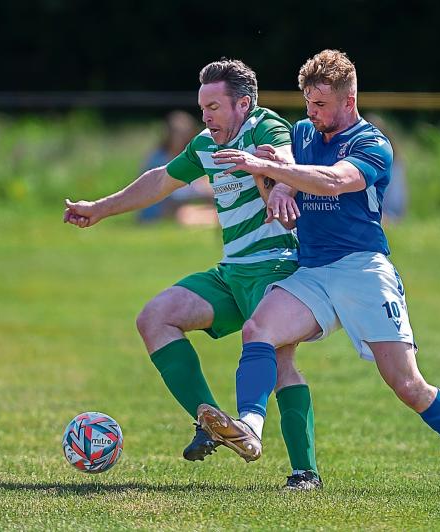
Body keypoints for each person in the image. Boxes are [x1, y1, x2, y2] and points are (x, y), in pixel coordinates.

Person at [198, 50, 440, 492]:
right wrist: (279, 187)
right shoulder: (303, 133)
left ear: (349, 100)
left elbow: (333, 181)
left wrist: (267, 167)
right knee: (257, 330)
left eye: (320, 104)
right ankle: (249, 425)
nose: (311, 112)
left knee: (407, 384)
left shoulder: (372, 144)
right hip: (313, 270)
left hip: (363, 270)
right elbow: (290, 173)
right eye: (307, 102)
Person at [63, 59, 320, 490]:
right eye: (202, 108)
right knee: (155, 317)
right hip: (232, 272)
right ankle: (212, 422)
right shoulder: (205, 144)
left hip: (276, 266)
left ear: (243, 104)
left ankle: (304, 472)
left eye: (214, 107)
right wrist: (99, 209)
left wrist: (281, 186)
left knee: (280, 361)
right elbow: (160, 181)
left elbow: (288, 161)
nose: (206, 116)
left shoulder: (265, 127)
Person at [136, 110, 217, 225]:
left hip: (177, 205)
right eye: (177, 134)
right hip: (158, 209)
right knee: (184, 213)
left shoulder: (190, 157)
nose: (181, 139)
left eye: (184, 134)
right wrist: (202, 191)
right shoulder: (159, 159)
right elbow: (172, 192)